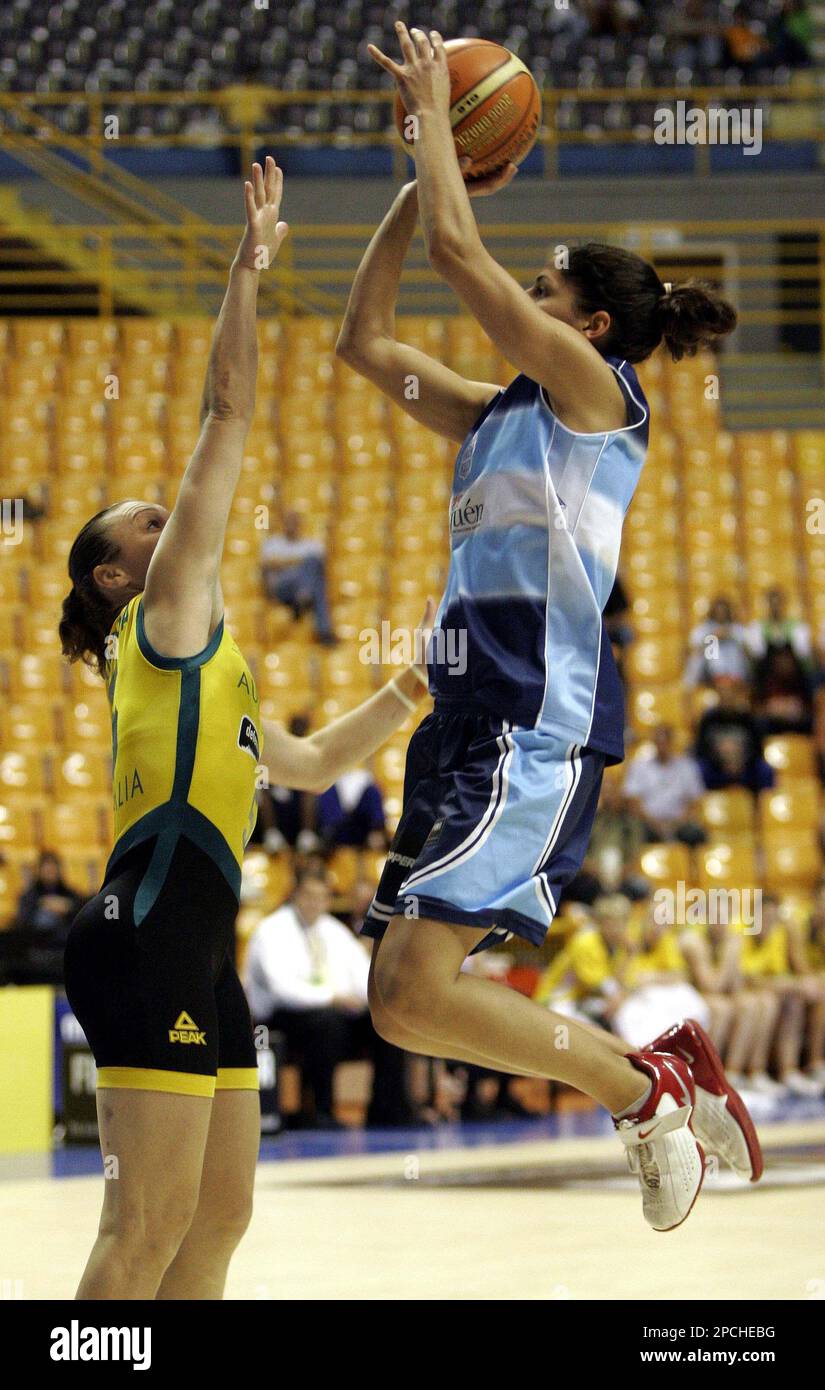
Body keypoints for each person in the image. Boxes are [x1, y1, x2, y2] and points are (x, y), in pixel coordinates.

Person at [340, 26, 751, 1229]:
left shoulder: (597, 401)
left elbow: (464, 253)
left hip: (536, 715)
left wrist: (434, 148)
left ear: (595, 329)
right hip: (467, 719)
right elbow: (361, 343)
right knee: (402, 1002)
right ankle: (656, 1069)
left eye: (546, 294)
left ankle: (639, 1086)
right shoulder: (490, 415)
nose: (524, 299)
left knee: (413, 987)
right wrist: (412, 190)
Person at [59, 158, 434, 1301]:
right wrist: (246, 270)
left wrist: (415, 690)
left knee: (216, 1218)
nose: (164, 512)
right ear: (120, 571)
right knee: (146, 1222)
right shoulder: (168, 608)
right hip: (150, 924)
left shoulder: (202, 663)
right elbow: (229, 408)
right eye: (144, 518)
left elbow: (314, 763)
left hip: (197, 938)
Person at [245, 867, 416, 1127]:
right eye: (308, 895)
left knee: (384, 1023)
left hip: (333, 1015)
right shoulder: (270, 931)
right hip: (280, 1019)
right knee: (327, 1023)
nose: (315, 903)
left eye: (321, 896)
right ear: (294, 896)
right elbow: (281, 989)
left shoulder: (334, 931)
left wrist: (372, 1001)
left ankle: (386, 1110)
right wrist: (331, 998)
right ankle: (319, 1111)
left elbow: (360, 974)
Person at [0, 851, 86, 986]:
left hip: (64, 948)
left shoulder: (72, 895)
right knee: (44, 918)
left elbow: (82, 918)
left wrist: (67, 909)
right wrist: (43, 906)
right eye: (47, 868)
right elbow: (23, 924)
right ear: (39, 871)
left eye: (53, 868)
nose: (50, 872)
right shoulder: (28, 897)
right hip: (37, 951)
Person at [260, 507, 336, 644]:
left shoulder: (311, 544)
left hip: (299, 585)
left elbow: (321, 562)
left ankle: (303, 596)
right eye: (288, 521)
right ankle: (324, 629)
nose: (291, 525)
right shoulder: (273, 543)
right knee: (313, 575)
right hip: (282, 586)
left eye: (294, 522)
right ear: (283, 523)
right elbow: (269, 563)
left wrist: (287, 562)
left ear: (300, 524)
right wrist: (301, 562)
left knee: (314, 567)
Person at [623, 723, 707, 844]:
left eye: (665, 741)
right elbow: (632, 801)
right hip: (648, 823)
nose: (662, 745)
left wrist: (677, 823)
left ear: (671, 742)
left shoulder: (687, 766)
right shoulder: (639, 766)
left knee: (696, 834)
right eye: (659, 741)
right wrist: (654, 823)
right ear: (654, 742)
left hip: (679, 823)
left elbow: (694, 802)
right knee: (633, 832)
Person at [684, 596, 751, 688]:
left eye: (724, 611)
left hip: (736, 675)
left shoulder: (738, 630)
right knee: (699, 656)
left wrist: (732, 637)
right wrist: (712, 638)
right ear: (712, 612)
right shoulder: (702, 630)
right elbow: (694, 652)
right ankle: (689, 688)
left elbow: (750, 653)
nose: (721, 614)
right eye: (718, 611)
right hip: (712, 676)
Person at [745, 587, 812, 666]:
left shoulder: (797, 626)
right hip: (768, 670)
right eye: (772, 604)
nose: (775, 608)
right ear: (768, 605)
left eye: (778, 603)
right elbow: (757, 654)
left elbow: (802, 653)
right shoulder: (757, 627)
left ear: (784, 604)